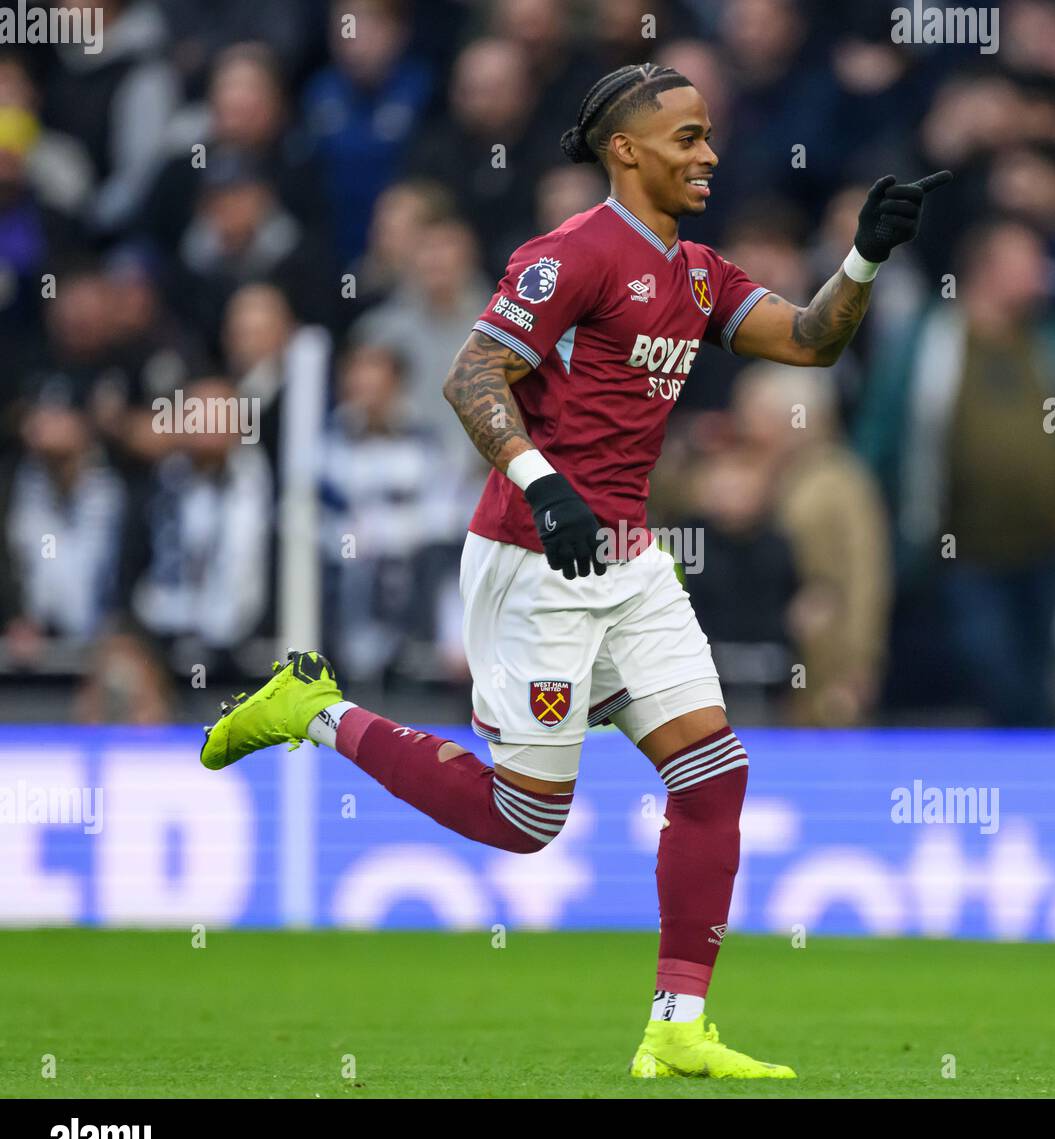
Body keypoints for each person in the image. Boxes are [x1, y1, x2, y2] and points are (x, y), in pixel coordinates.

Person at [198, 62, 949, 1079]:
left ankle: (676, 1025)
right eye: (686, 138)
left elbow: (811, 341)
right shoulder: (571, 257)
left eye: (709, 135)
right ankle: (314, 711)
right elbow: (471, 376)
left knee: (714, 773)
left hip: (628, 559)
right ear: (626, 150)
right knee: (526, 820)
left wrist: (861, 257)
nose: (708, 155)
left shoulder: (696, 273)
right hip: (532, 555)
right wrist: (543, 485)